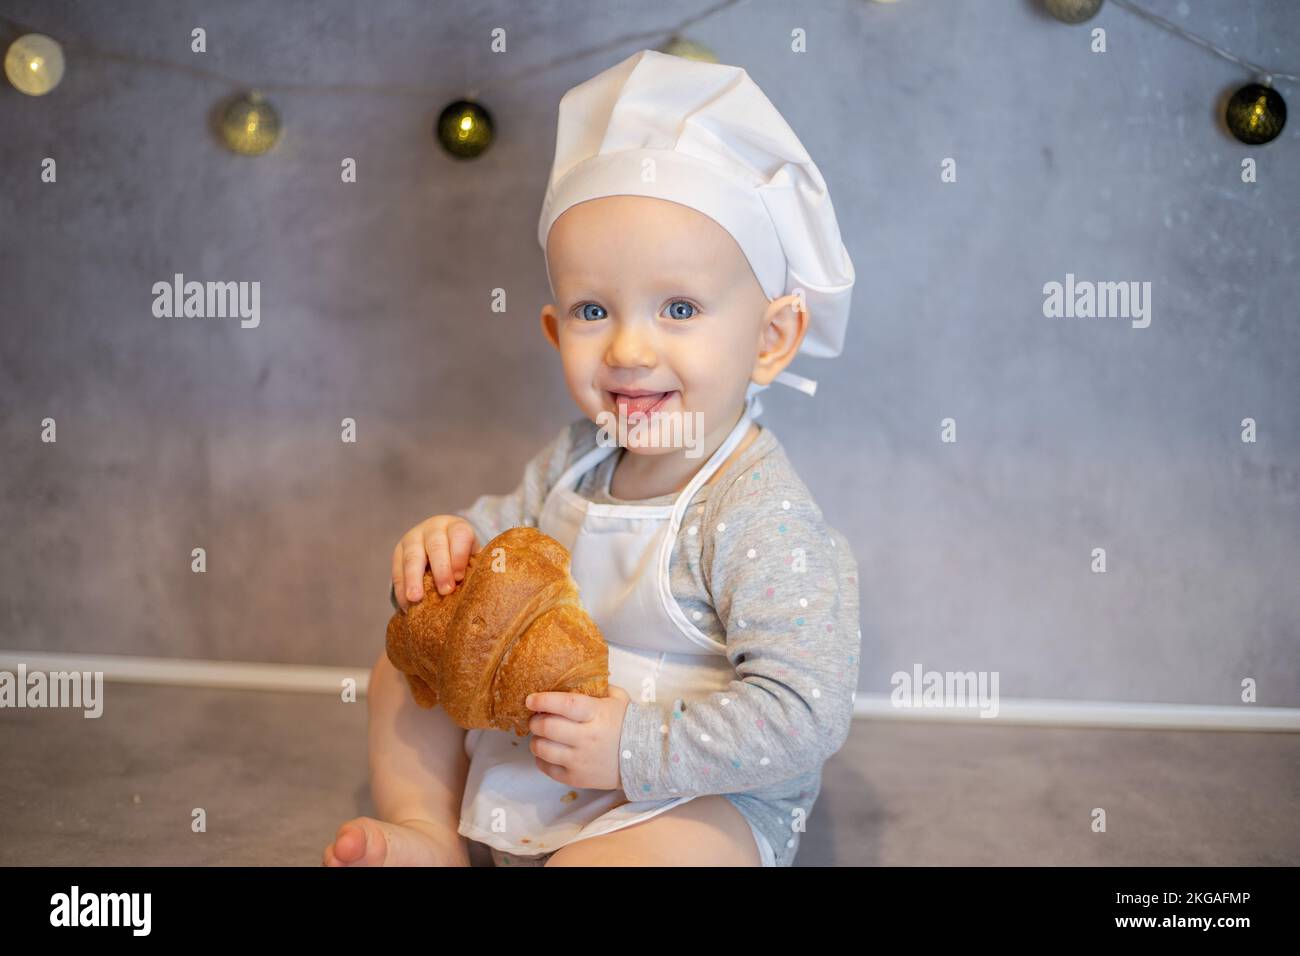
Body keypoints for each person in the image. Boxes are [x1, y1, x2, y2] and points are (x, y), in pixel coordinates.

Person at [324, 48, 860, 867]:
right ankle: (430, 830)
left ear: (771, 339)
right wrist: (445, 546)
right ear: (553, 330)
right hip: (547, 752)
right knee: (405, 665)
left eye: (679, 307)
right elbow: (494, 553)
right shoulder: (574, 461)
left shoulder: (756, 512)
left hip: (696, 794)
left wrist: (637, 750)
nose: (630, 347)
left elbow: (803, 712)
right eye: (592, 309)